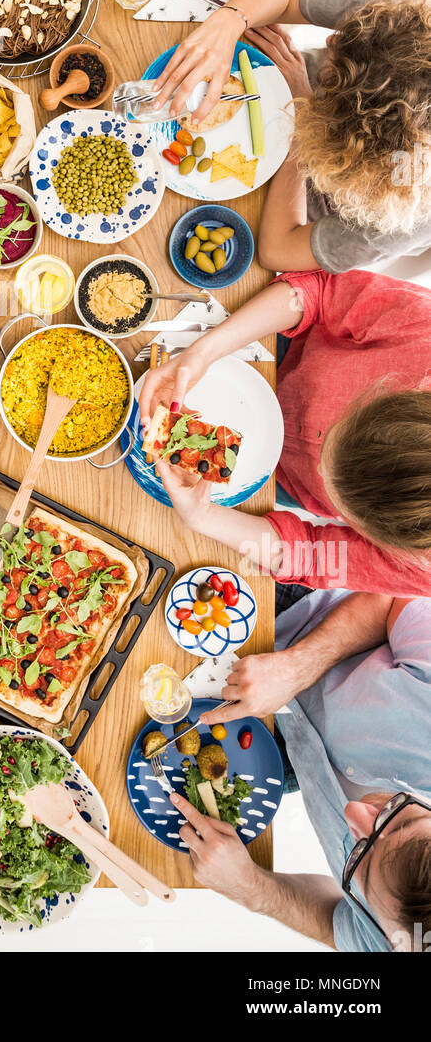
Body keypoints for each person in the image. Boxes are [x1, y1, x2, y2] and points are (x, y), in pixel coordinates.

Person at [138, 269, 431, 596]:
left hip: (277, 484)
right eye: (339, 428)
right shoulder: (425, 334)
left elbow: (312, 557)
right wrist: (203, 352)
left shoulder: (424, 569)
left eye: (339, 500)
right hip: (276, 341)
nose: (320, 467)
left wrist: (202, 517)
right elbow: (319, 293)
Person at [171, 590, 431, 951]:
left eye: (357, 858)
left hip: (296, 752)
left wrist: (253, 888)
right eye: (396, 813)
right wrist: (297, 667)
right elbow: (392, 594)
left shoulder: (403, 943)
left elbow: (336, 925)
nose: (351, 814)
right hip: (302, 620)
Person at [156, 0, 431, 274]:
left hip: (292, 200)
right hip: (284, 78)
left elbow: (278, 251)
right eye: (340, 42)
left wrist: (300, 125)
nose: (329, 40)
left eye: (334, 71)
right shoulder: (407, 7)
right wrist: (230, 21)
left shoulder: (407, 211)